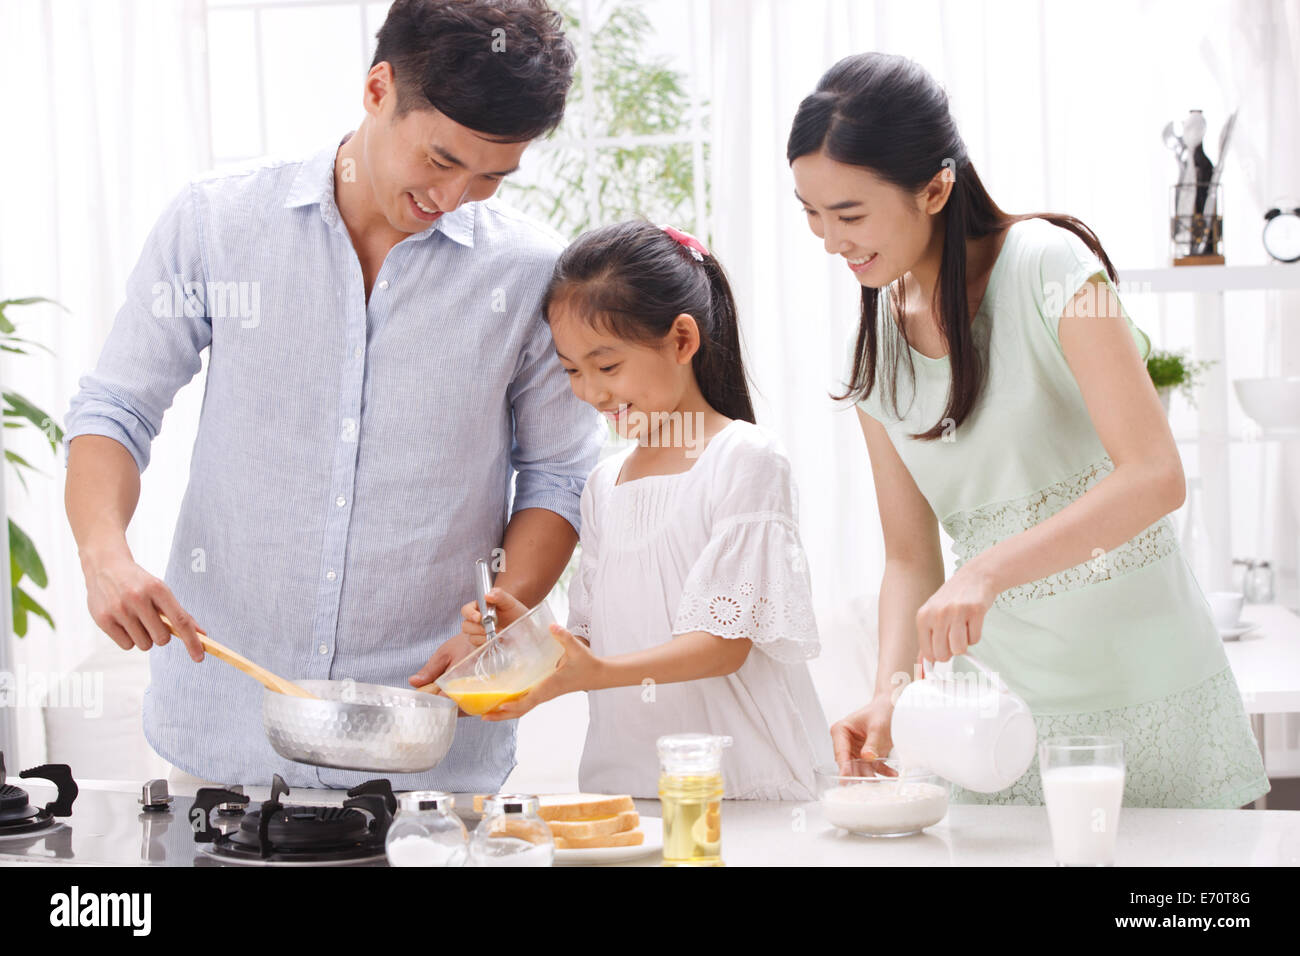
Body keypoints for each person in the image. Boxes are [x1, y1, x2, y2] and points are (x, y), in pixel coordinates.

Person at [63, 0, 603, 790]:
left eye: (491, 176)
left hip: (431, 748)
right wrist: (103, 555)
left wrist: (503, 612)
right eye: (441, 160)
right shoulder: (218, 223)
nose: (453, 197)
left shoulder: (528, 275)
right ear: (379, 88)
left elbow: (556, 476)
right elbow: (118, 407)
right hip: (224, 729)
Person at [789, 52, 1268, 808]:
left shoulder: (1052, 268)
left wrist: (982, 570)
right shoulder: (875, 349)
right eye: (811, 214)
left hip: (1151, 684)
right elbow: (911, 559)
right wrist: (892, 694)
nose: (829, 240)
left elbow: (1153, 474)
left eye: (849, 214)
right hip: (996, 727)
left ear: (936, 188)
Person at [460, 220, 833, 799]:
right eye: (571, 370)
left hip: (740, 782)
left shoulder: (743, 459)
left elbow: (724, 643)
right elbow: (592, 647)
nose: (590, 392)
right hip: (630, 784)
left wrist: (602, 674)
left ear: (682, 341)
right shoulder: (604, 485)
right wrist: (525, 635)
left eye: (607, 367)